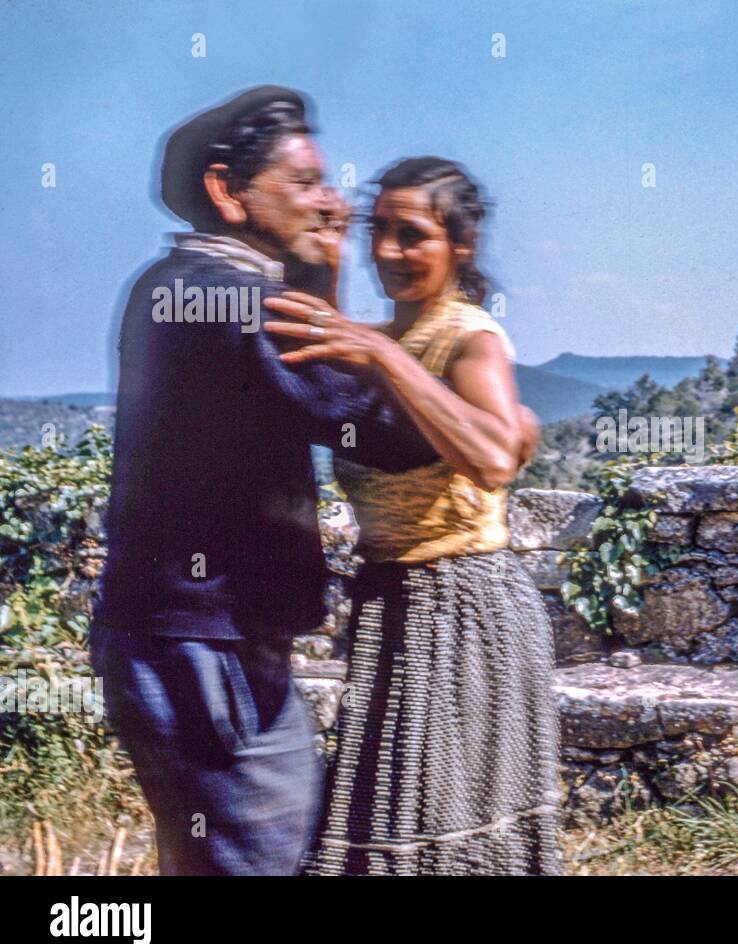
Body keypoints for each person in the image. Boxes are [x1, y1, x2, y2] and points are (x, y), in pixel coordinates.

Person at [90, 87, 439, 875]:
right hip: (209, 651)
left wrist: (316, 283)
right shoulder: (237, 302)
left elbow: (312, 385)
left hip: (178, 637)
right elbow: (385, 432)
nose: (331, 203)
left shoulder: (177, 284)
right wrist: (426, 369)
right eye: (306, 182)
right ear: (227, 191)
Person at [263, 156, 559, 875]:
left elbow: (494, 457)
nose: (390, 252)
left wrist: (383, 357)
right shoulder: (376, 341)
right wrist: (324, 256)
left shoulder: (468, 338)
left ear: (461, 244)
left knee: (436, 830)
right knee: (385, 822)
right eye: (379, 231)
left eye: (413, 235)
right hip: (392, 604)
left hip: (464, 607)